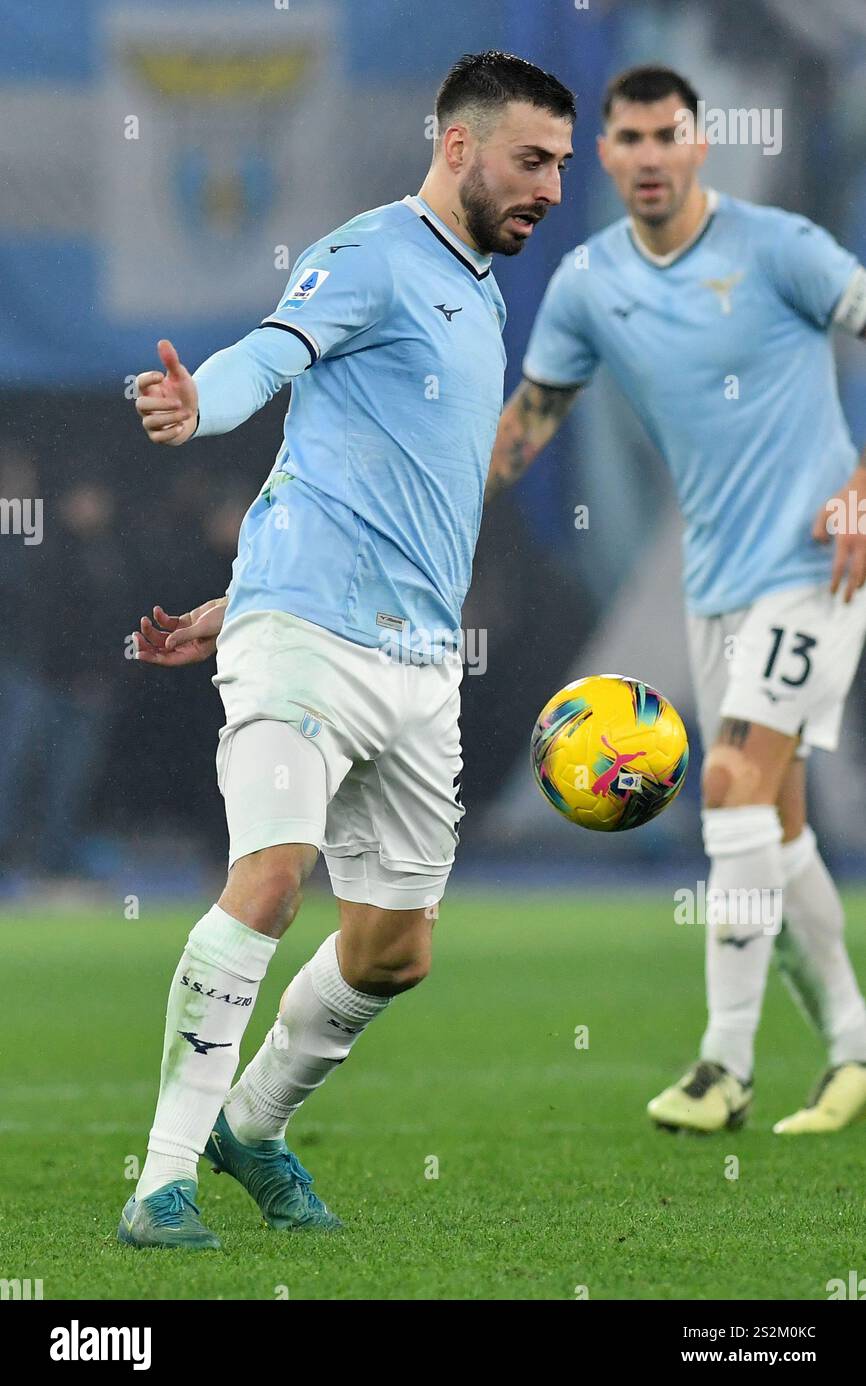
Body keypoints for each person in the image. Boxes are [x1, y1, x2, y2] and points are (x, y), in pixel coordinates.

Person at [119, 51, 575, 1249]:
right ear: (460, 147)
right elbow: (268, 358)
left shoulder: (478, 291)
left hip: (417, 661)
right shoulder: (368, 253)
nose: (552, 188)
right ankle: (159, 1182)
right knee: (271, 877)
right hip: (307, 639)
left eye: (562, 166)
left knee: (390, 952)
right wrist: (196, 406)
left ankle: (252, 1126)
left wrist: (235, 585)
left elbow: (374, 468)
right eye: (533, 161)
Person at [486, 64, 866, 1137]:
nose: (648, 156)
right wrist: (421, 500)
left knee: (732, 781)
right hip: (713, 585)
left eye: (667, 136)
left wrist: (859, 493)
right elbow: (530, 420)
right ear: (602, 155)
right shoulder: (589, 284)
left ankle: (722, 1065)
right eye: (629, 139)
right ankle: (850, 1042)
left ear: (698, 145)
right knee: (774, 831)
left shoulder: (778, 247)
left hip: (812, 570)